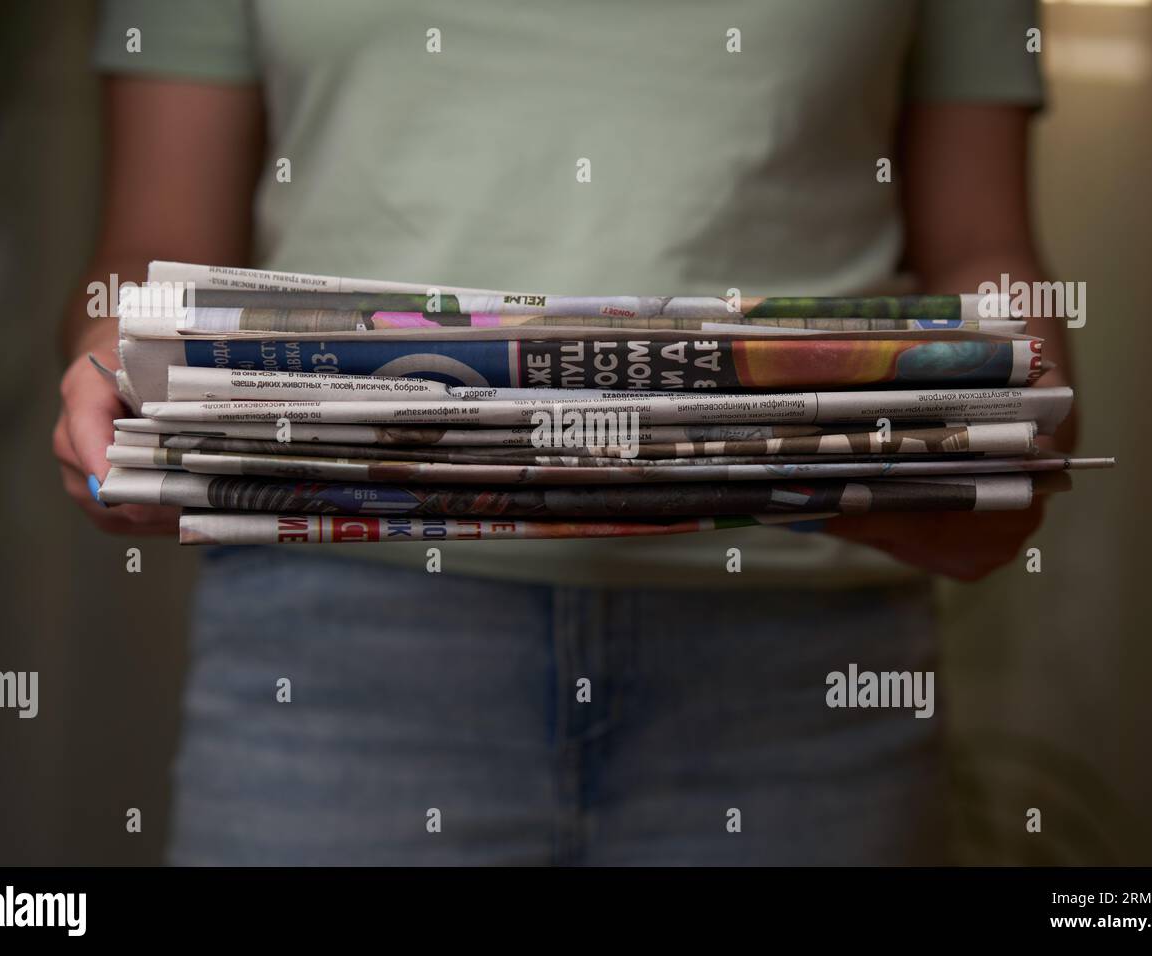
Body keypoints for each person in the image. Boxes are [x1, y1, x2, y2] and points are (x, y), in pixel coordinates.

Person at [53, 0, 1072, 865]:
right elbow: (153, 249)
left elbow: (983, 245)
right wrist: (122, 375)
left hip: (799, 672)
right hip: (336, 653)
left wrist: (1006, 408)